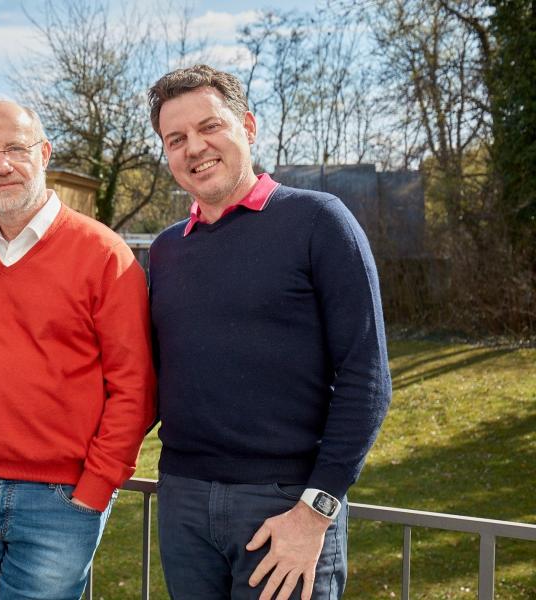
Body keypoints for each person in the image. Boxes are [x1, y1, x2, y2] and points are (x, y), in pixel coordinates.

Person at [146, 64, 392, 600]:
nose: (195, 148)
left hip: (285, 503)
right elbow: (149, 376)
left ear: (249, 127)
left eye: (210, 126)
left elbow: (367, 379)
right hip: (182, 501)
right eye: (176, 138)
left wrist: (317, 510)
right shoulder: (166, 250)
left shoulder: (319, 221)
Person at [0, 100, 157, 599]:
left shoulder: (104, 255)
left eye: (16, 148)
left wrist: (96, 489)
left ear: (45, 152)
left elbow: (135, 388)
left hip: (60, 499)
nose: (2, 165)